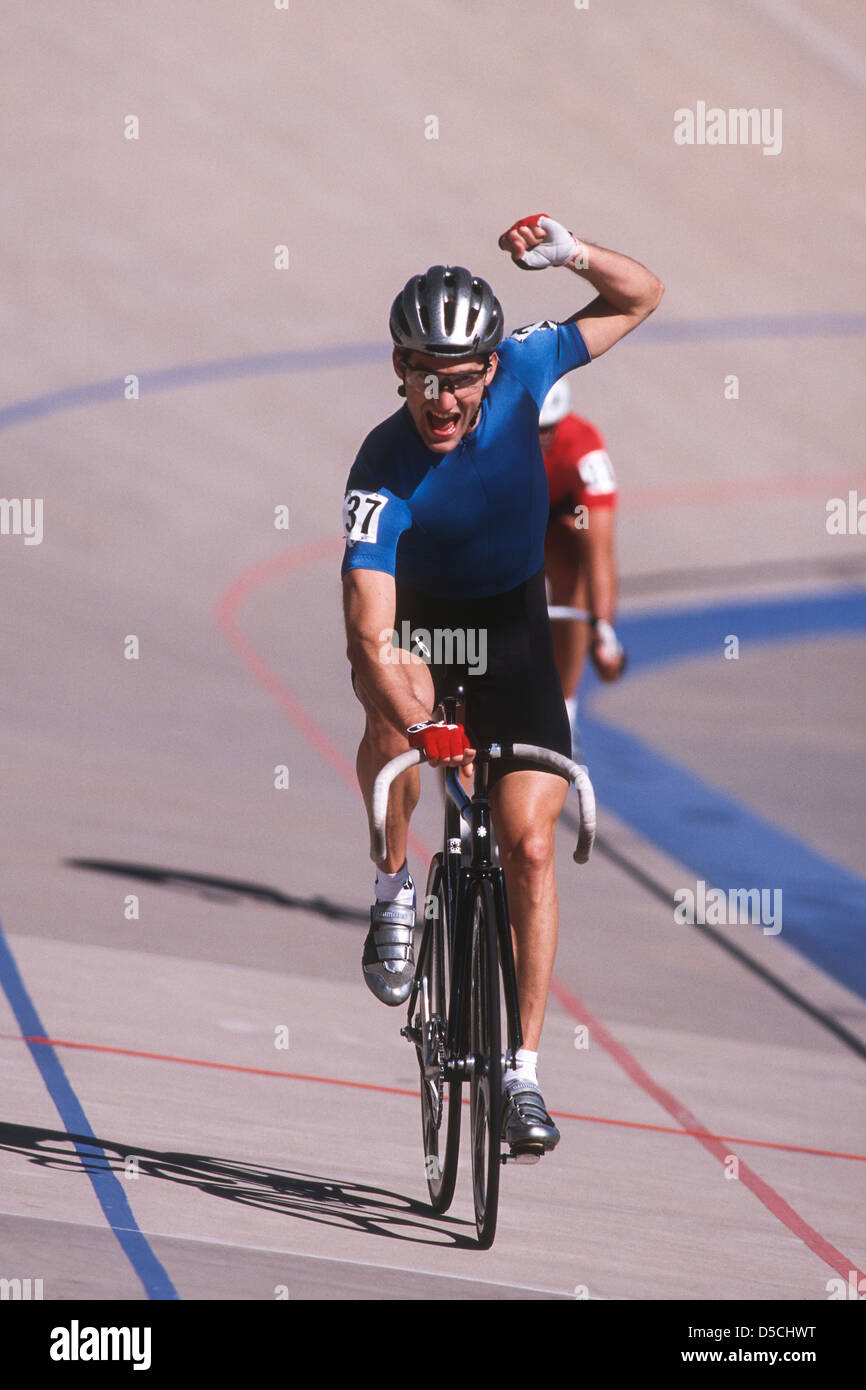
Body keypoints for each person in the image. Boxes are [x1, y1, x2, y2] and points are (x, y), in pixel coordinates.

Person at [342, 214, 663, 1151]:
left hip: (513, 626)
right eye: (422, 375)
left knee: (528, 848)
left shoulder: (529, 365)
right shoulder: (380, 465)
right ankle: (393, 890)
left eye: (461, 375)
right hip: (421, 627)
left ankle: (522, 1074)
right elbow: (370, 631)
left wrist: (574, 255)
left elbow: (640, 295)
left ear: (493, 365)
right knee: (386, 719)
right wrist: (418, 720)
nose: (442, 397)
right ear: (397, 370)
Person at [540, 381, 626, 736]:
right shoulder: (493, 434)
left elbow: (599, 556)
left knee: (572, 562)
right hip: (510, 514)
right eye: (532, 429)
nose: (539, 439)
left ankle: (566, 704)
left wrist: (603, 628)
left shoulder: (585, 448)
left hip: (557, 516)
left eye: (548, 430)